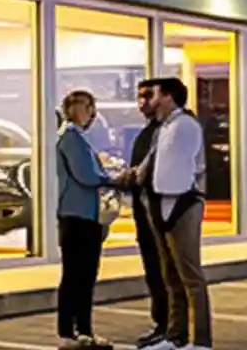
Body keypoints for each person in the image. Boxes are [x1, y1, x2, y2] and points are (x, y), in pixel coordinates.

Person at [135, 77, 212, 350]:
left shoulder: (185, 126)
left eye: (154, 95)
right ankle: (175, 336)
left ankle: (201, 341)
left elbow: (177, 170)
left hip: (182, 205)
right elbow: (151, 165)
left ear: (168, 97)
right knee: (171, 277)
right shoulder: (165, 128)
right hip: (162, 205)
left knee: (191, 276)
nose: (151, 101)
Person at [54, 90, 117, 350]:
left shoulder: (74, 137)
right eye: (86, 106)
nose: (89, 112)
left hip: (80, 214)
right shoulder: (71, 137)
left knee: (82, 277)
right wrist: (113, 178)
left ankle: (83, 331)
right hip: (78, 216)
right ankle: (70, 333)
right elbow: (87, 175)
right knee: (78, 276)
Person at [131, 79, 169, 348]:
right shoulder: (150, 132)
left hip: (158, 215)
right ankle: (163, 325)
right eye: (140, 97)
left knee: (164, 272)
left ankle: (168, 327)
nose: (143, 102)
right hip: (145, 215)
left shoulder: (167, 131)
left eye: (148, 96)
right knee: (154, 271)